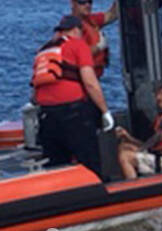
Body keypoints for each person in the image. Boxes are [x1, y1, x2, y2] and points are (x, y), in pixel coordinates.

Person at [31, 15, 115, 176]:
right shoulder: (78, 45)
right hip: (74, 114)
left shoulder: (44, 50)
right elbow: (90, 83)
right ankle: (98, 191)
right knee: (89, 162)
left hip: (47, 116)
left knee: (56, 167)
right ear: (76, 30)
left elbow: (35, 89)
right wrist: (105, 111)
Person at [69, 0, 118, 76]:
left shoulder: (91, 20)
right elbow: (77, 54)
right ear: (72, 4)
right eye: (82, 2)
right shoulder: (70, 26)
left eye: (89, 2)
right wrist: (99, 46)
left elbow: (112, 15)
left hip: (95, 74)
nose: (87, 5)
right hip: (81, 78)